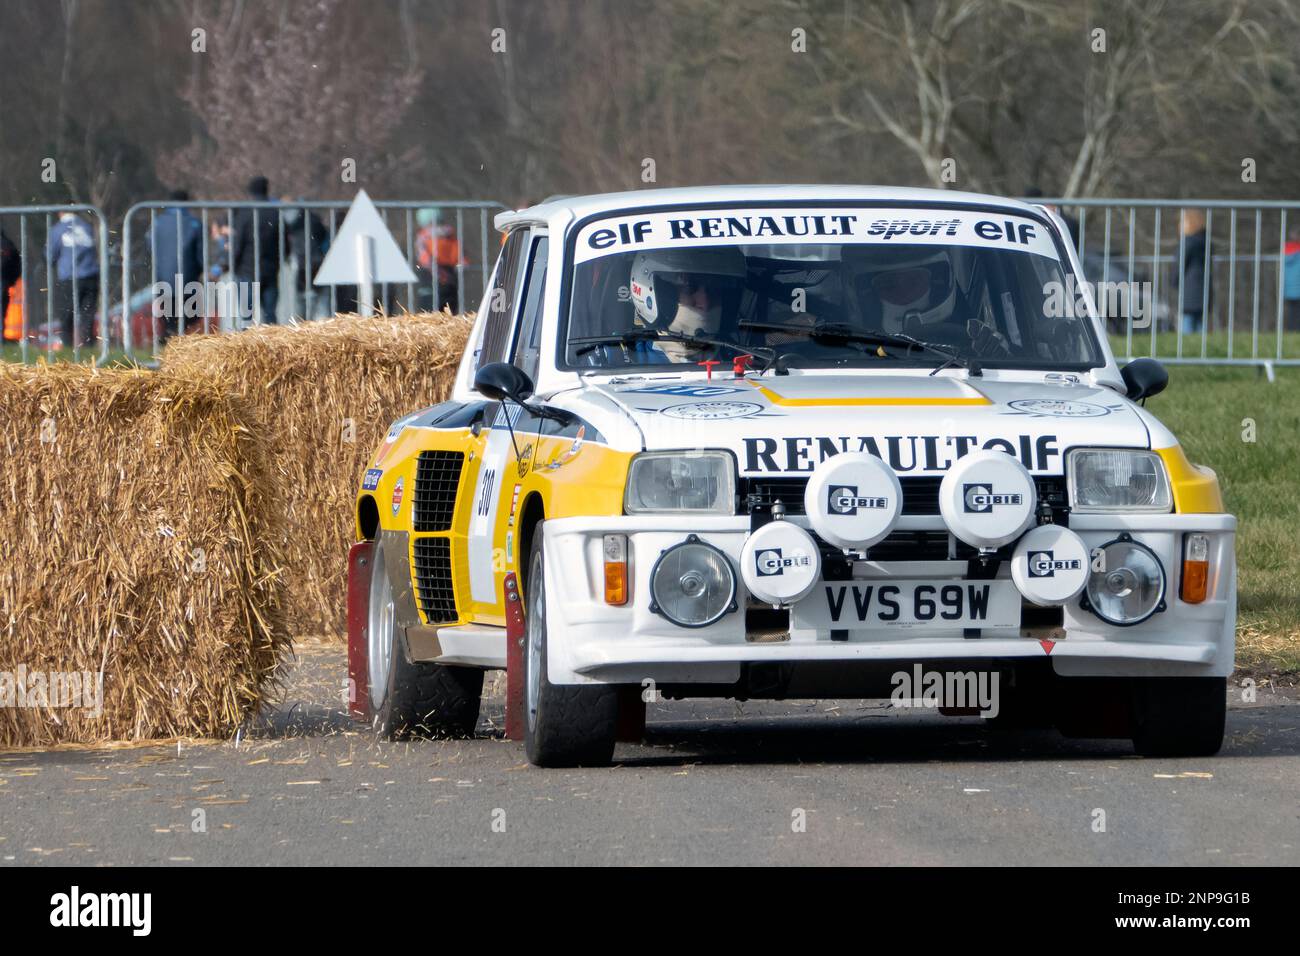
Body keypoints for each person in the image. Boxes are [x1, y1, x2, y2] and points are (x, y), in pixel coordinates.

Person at [623, 248, 746, 364]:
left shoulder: (747, 361)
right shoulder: (615, 357)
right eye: (689, 288)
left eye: (715, 290)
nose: (705, 303)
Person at [148, 190, 204, 340]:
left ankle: (169, 341)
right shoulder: (194, 223)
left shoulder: (158, 222)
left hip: (163, 277)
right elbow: (201, 253)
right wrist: (202, 269)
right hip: (188, 277)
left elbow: (150, 245)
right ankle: (177, 343)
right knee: (189, 317)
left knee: (170, 317)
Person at [229, 176, 281, 323]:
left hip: (246, 269)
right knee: (270, 315)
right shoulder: (275, 212)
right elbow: (283, 242)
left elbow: (238, 242)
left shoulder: (245, 213)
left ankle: (246, 345)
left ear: (251, 192)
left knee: (246, 316)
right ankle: (272, 345)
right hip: (270, 270)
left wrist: (232, 263)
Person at [46, 211, 100, 350]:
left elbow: (49, 254)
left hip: (70, 277)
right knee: (87, 314)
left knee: (66, 314)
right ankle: (88, 346)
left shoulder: (59, 229)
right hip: (91, 276)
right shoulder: (86, 226)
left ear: (60, 212)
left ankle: (68, 346)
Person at [1180, 209, 1210, 334]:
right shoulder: (1206, 241)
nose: (1180, 224)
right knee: (1199, 322)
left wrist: (1175, 280)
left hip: (1190, 288)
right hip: (1203, 287)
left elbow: (1180, 263)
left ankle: (1186, 351)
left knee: (1188, 321)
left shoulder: (1188, 242)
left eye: (1183, 221)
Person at [1, 229, 21, 335]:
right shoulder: (7, 244)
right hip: (4, 283)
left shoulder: (6, 245)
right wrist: (11, 281)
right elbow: (17, 264)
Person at [1284, 225, 1300, 333]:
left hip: (1288, 287)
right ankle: (1295, 330)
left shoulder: (1285, 249)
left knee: (1292, 311)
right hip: (1297, 286)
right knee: (1296, 311)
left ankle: (1291, 330)